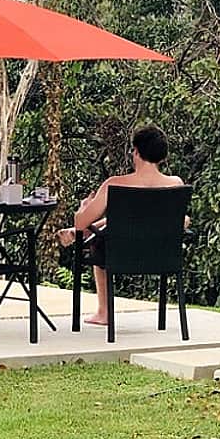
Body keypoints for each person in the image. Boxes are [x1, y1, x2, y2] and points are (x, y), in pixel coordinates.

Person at [57, 125, 185, 326]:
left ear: (136, 152)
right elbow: (177, 220)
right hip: (161, 255)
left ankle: (104, 312)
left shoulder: (114, 184)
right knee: (120, 224)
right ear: (162, 156)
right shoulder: (175, 184)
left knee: (97, 245)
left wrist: (85, 207)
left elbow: (81, 222)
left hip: (119, 254)